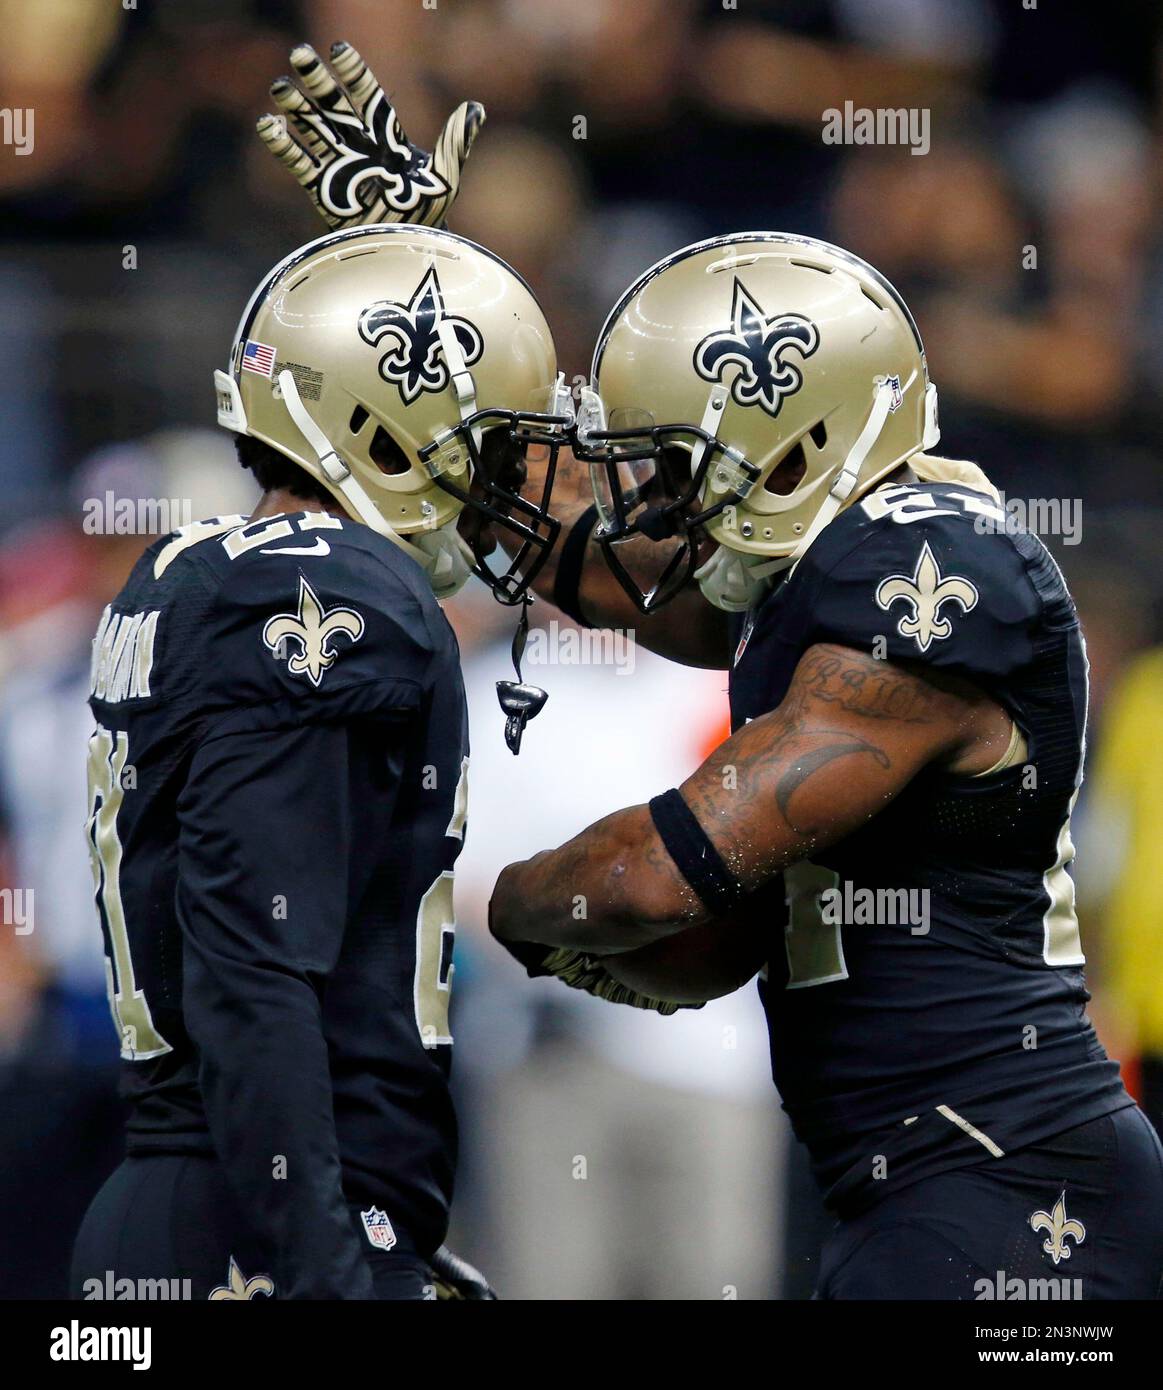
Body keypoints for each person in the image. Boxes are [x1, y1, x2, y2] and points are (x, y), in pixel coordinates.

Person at [71, 134, 573, 1297]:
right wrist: (330, 1263)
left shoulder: (187, 567)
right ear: (384, 425)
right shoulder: (335, 594)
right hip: (254, 1226)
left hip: (198, 1198)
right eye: (489, 439)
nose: (507, 479)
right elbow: (253, 965)